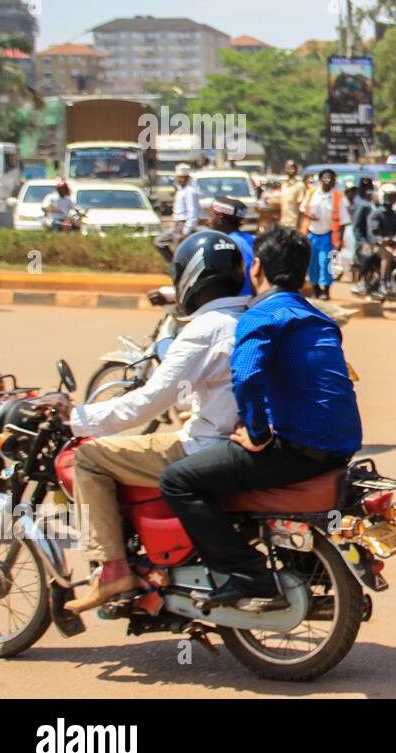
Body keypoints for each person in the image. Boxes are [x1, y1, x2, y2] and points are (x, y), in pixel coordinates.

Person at [36, 231, 248, 613]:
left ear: (192, 277)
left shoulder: (204, 330)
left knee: (89, 458)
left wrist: (77, 418)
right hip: (235, 443)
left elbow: (145, 404)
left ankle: (113, 569)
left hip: (201, 446)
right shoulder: (246, 317)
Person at [159, 226, 363, 610]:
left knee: (178, 480)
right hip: (340, 447)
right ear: (304, 274)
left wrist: (256, 433)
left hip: (297, 448)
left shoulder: (261, 315)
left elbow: (248, 374)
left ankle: (247, 574)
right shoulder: (316, 318)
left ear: (258, 269)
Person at [302, 169, 349, 299]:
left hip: (328, 236)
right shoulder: (312, 193)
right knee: (312, 263)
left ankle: (326, 290)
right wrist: (309, 215)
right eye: (325, 178)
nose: (328, 181)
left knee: (326, 262)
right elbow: (303, 209)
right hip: (311, 234)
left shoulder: (338, 197)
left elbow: (344, 221)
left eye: (331, 178)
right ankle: (315, 288)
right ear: (321, 179)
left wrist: (340, 239)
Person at [365, 183, 396, 298]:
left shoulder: (394, 215)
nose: (392, 199)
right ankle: (383, 283)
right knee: (386, 255)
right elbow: (372, 232)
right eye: (389, 196)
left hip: (392, 244)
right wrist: (380, 240)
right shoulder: (376, 214)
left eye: (394, 196)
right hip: (377, 245)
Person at [209, 197, 254, 296]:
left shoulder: (222, 245)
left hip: (236, 302)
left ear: (220, 219)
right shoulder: (255, 240)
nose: (210, 220)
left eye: (212, 216)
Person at [155, 164, 200, 262]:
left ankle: (177, 269)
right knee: (160, 242)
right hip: (177, 224)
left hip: (183, 224)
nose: (182, 180)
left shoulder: (190, 191)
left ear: (188, 178)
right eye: (180, 177)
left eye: (184, 177)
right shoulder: (181, 190)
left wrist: (187, 230)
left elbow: (192, 212)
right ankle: (173, 265)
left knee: (180, 253)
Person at [278, 160, 306, 229]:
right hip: (283, 224)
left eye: (293, 168)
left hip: (294, 225)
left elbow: (302, 207)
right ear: (285, 169)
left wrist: (299, 225)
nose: (291, 170)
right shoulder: (284, 185)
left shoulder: (300, 185)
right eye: (288, 168)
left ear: (296, 170)